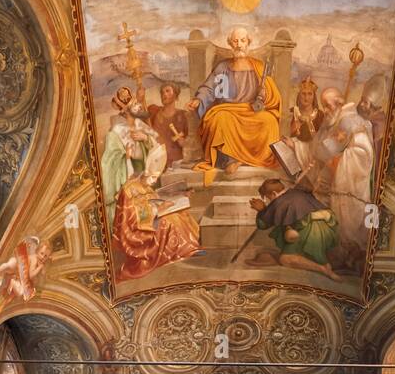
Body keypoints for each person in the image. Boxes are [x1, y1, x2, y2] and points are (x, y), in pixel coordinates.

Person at [188, 26, 281, 180]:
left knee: (269, 121)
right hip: (228, 110)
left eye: (242, 41)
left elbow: (273, 96)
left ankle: (257, 159)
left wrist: (265, 95)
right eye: (235, 41)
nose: (239, 44)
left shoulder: (258, 67)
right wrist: (199, 99)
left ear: (248, 43)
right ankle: (230, 160)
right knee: (218, 119)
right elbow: (210, 88)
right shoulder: (223, 67)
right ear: (230, 44)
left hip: (251, 111)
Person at [112, 143, 200, 280]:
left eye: (156, 178)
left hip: (152, 218)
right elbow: (132, 215)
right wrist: (158, 209)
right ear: (146, 173)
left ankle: (189, 249)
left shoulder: (146, 186)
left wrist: (180, 196)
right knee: (167, 222)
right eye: (152, 177)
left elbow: (155, 200)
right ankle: (179, 252)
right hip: (136, 231)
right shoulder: (130, 188)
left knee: (179, 215)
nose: (154, 181)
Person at [313, 88, 375, 259]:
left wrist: (341, 160)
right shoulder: (341, 118)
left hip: (353, 172)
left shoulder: (348, 120)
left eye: (327, 106)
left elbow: (326, 151)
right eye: (323, 106)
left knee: (348, 214)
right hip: (346, 170)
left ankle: (347, 248)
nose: (325, 110)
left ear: (339, 103)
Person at [249, 178, 339, 279]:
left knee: (285, 259)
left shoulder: (279, 202)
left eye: (268, 197)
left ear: (274, 193)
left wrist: (262, 210)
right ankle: (321, 262)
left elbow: (263, 225)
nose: (270, 200)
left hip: (308, 233)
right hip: (325, 231)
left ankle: (322, 268)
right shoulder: (297, 192)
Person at [100, 88, 158, 228]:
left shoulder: (141, 126)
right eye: (134, 106)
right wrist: (125, 156)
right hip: (127, 181)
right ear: (125, 111)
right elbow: (108, 161)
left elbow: (157, 146)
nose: (138, 107)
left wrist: (145, 138)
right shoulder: (116, 131)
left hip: (144, 178)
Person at [0, 237, 51, 316]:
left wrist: (42, 270)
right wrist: (40, 268)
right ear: (37, 251)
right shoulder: (35, 259)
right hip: (19, 266)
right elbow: (31, 275)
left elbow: (36, 279)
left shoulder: (37, 261)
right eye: (42, 253)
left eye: (45, 256)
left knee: (18, 291)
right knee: (8, 266)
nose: (43, 257)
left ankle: (2, 276)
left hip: (18, 273)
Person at [147, 83, 189, 167]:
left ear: (176, 95)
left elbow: (191, 141)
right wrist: (140, 99)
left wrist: (184, 143)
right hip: (157, 161)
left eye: (167, 91)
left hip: (176, 162)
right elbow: (144, 120)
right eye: (162, 92)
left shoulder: (183, 115)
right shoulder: (154, 112)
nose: (164, 94)